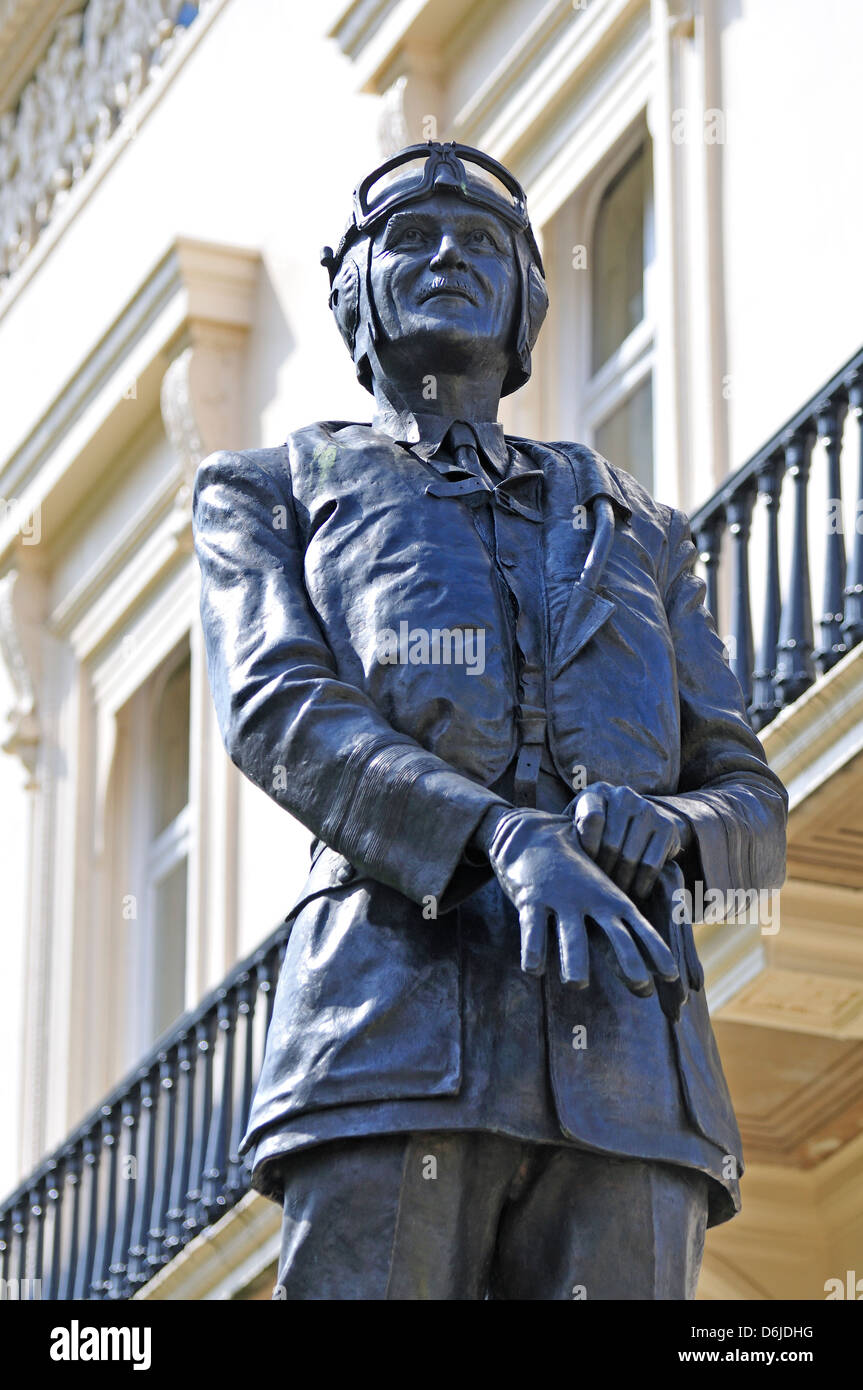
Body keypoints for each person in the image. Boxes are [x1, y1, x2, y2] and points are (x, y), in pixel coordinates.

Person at [192, 142, 787, 1300]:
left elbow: (749, 803)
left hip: (630, 1076)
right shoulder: (270, 488)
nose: (448, 257)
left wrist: (662, 829)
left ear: (527, 300)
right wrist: (505, 838)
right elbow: (279, 709)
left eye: (481, 244)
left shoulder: (640, 531)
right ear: (352, 294)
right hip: (386, 1039)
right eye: (409, 239)